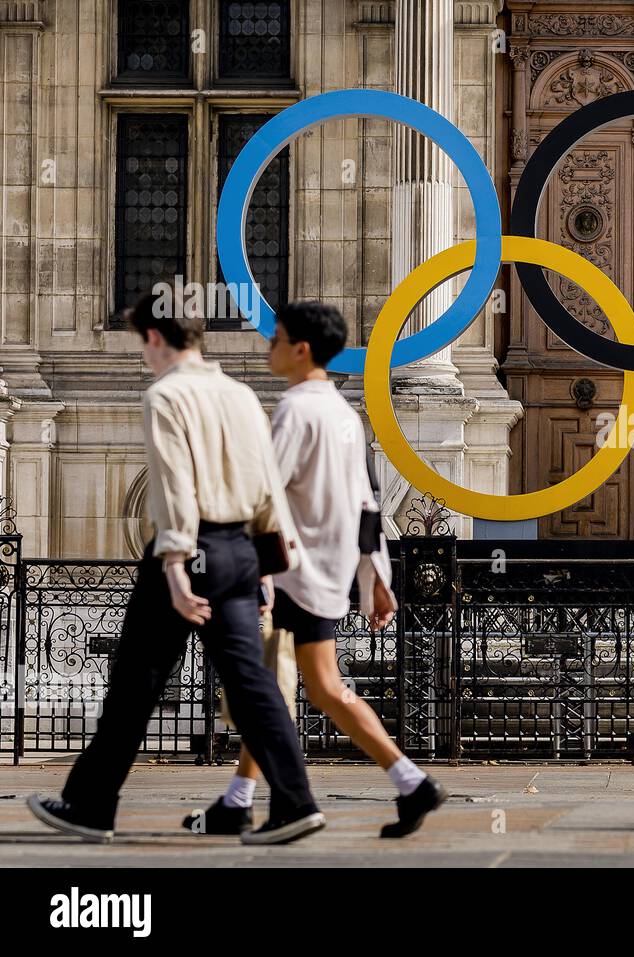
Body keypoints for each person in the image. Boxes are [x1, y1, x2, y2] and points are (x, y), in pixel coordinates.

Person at [28, 291, 325, 845]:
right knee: (252, 682)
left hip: (192, 552)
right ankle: (295, 802)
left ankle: (91, 806)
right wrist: (267, 566)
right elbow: (267, 487)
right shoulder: (240, 394)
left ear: (156, 338)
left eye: (142, 341)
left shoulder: (165, 394)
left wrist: (174, 566)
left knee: (134, 684)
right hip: (240, 549)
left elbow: (175, 487)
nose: (143, 353)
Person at [182, 301, 448, 839]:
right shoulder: (345, 416)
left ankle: (294, 798)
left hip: (288, 577)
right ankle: (401, 781)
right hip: (326, 572)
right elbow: (367, 506)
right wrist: (375, 580)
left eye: (276, 338)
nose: (268, 347)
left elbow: (264, 495)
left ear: (300, 349)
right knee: (304, 689)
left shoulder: (296, 411)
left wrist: (250, 572)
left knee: (278, 690)